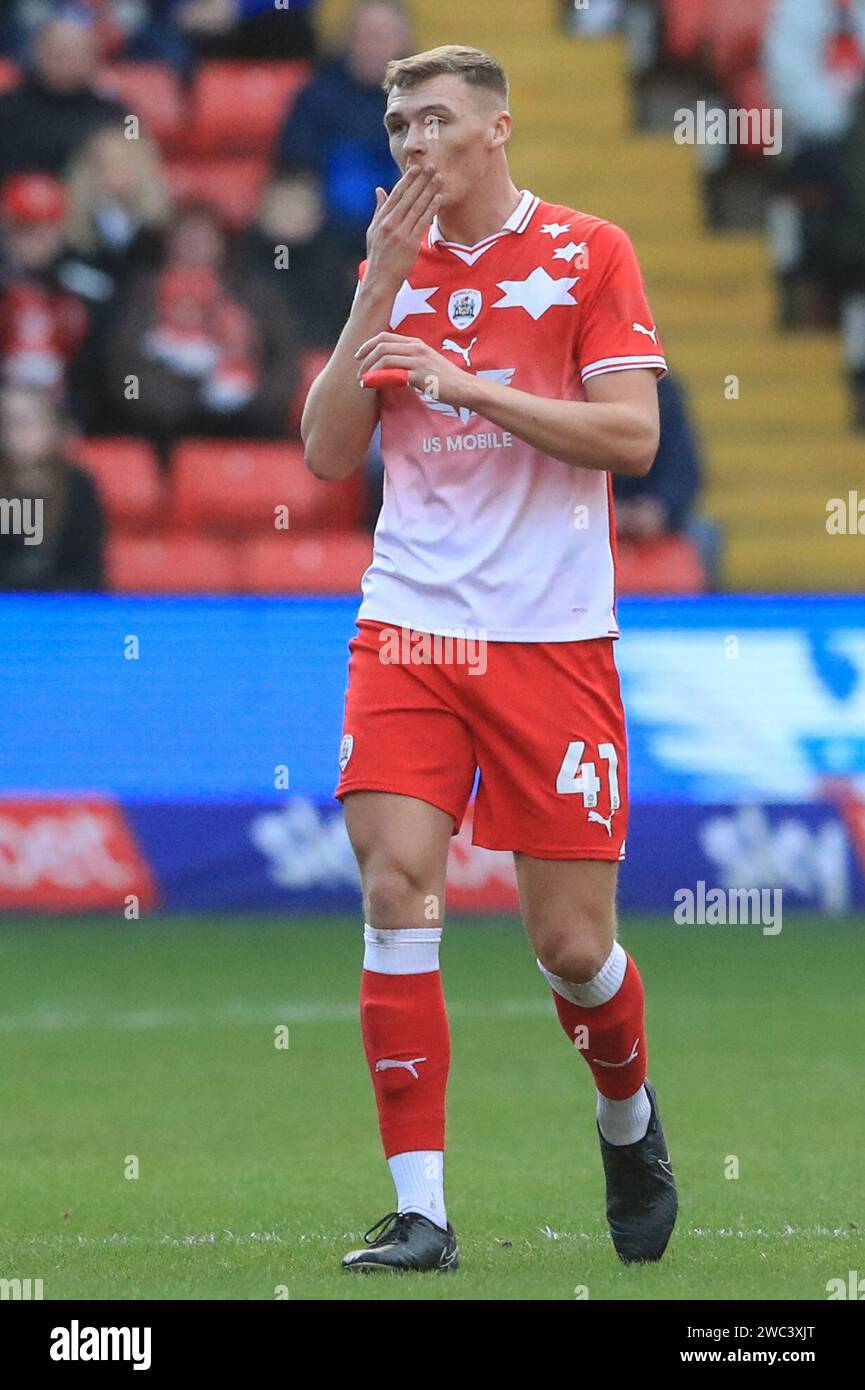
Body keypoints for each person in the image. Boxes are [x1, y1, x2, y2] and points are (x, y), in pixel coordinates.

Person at [302, 44, 678, 1273]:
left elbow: (631, 437)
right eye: (400, 123)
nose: (413, 143)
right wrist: (375, 299)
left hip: (550, 640)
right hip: (408, 628)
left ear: (498, 128)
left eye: (436, 121)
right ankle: (423, 1211)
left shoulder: (586, 251)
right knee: (393, 886)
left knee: (571, 947)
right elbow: (323, 456)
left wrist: (471, 385)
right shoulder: (386, 268)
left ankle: (626, 1120)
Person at [105, 200, 301, 449]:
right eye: (186, 238)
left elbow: (284, 364)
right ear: (169, 243)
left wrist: (249, 405)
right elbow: (126, 369)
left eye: (205, 238)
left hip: (252, 433)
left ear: (223, 244)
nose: (195, 246)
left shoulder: (257, 296)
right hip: (163, 436)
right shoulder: (142, 295)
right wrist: (195, 403)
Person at [276, 0, 412, 261]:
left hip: (401, 232)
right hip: (324, 234)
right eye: (367, 36)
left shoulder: (422, 101)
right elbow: (293, 165)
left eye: (383, 37)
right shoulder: (316, 95)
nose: (374, 46)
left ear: (403, 43)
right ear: (349, 39)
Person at [0, 10, 126, 185]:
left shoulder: (116, 111)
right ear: (37, 53)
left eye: (76, 54)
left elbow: (135, 143)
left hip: (91, 203)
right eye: (59, 52)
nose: (66, 62)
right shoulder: (7, 107)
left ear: (94, 59)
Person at [0, 383, 105, 590]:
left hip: (64, 608)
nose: (13, 433)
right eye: (6, 423)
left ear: (51, 427)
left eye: (24, 423)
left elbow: (89, 565)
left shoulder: (78, 486)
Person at [0, 174, 90, 404]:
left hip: (65, 403)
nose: (36, 239)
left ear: (61, 230)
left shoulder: (81, 282)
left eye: (46, 228)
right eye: (26, 228)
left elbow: (101, 357)